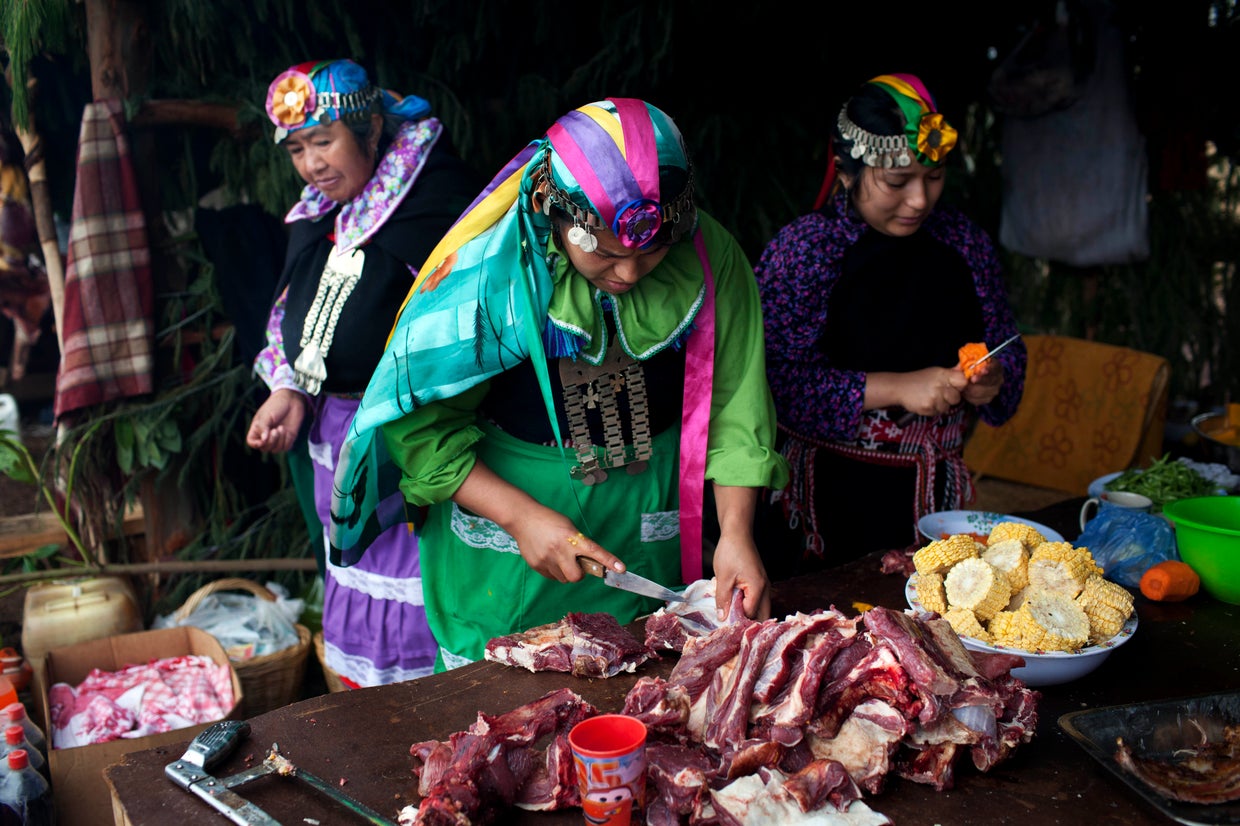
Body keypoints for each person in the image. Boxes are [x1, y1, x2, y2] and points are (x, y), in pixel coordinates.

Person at [328, 98, 789, 670]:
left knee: (650, 693)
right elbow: (419, 422)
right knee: (508, 714)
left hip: (648, 513)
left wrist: (737, 534)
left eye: (649, 258)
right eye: (609, 256)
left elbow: (737, 404)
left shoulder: (708, 255)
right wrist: (519, 517)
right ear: (554, 211)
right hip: (511, 528)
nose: (627, 274)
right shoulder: (487, 268)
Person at [245, 59, 480, 686]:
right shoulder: (321, 215)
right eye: (297, 148)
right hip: (335, 448)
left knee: (413, 592)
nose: (311, 163)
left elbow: (463, 336)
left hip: (411, 449)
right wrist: (289, 389)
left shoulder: (437, 210)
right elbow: (290, 320)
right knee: (357, 576)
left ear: (372, 129)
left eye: (323, 141)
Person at [753, 73, 1026, 576]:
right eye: (897, 182)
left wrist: (992, 380)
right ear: (846, 172)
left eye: (935, 175)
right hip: (824, 506)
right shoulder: (807, 250)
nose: (920, 200)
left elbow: (1007, 347)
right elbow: (771, 381)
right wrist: (898, 388)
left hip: (937, 504)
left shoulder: (963, 244)